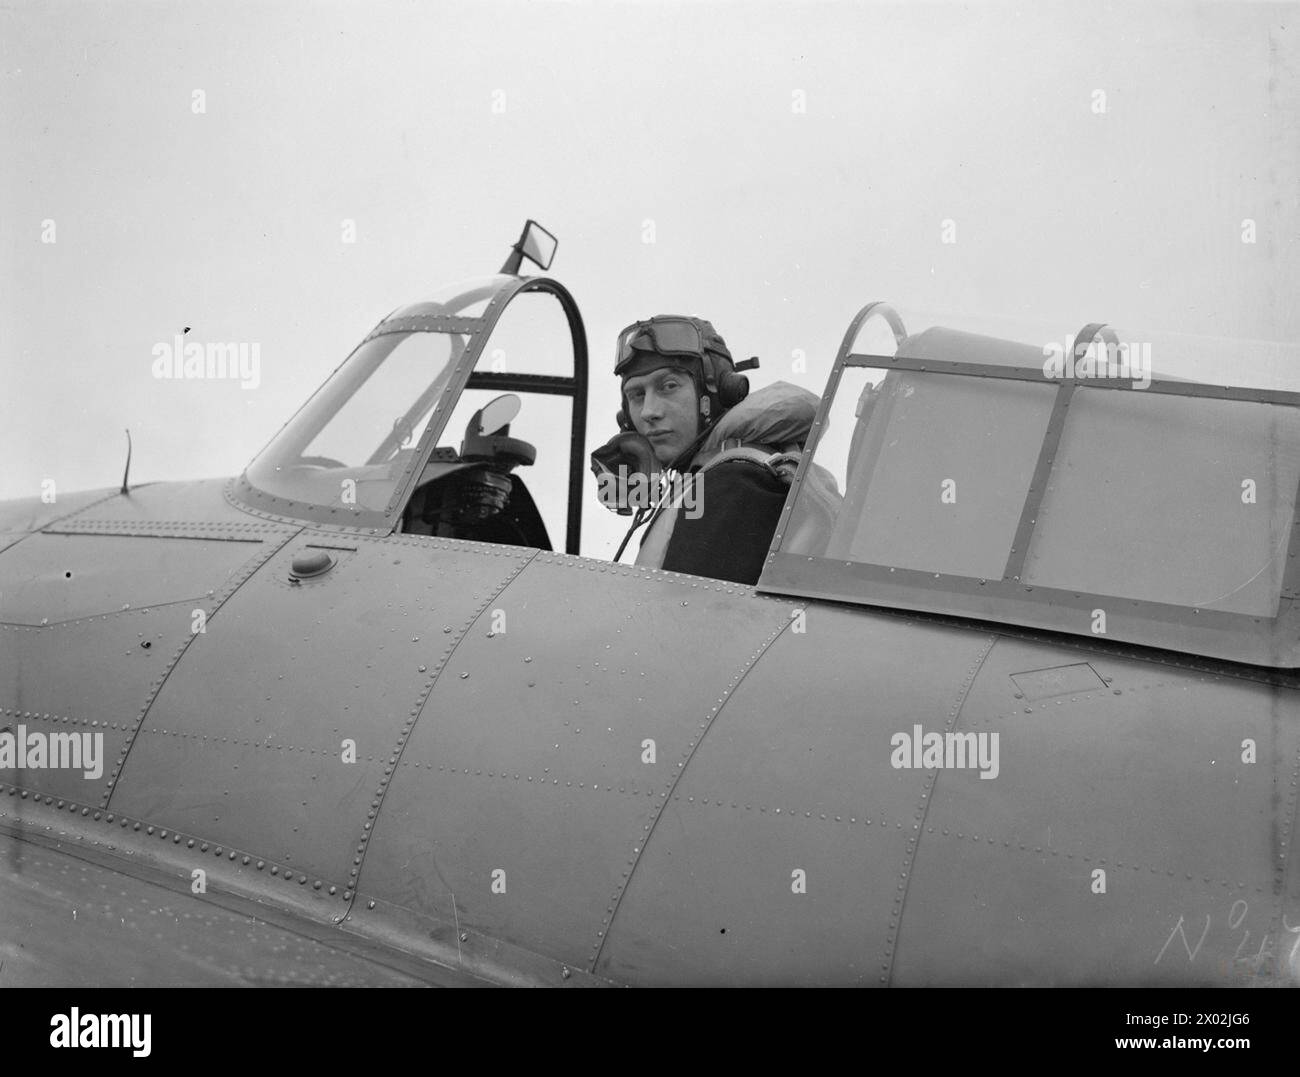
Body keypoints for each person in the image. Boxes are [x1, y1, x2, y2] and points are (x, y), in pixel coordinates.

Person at [591, 314, 838, 585]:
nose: (649, 411)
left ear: (718, 394)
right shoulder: (711, 479)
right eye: (637, 395)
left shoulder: (735, 484)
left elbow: (684, 619)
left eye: (669, 386)